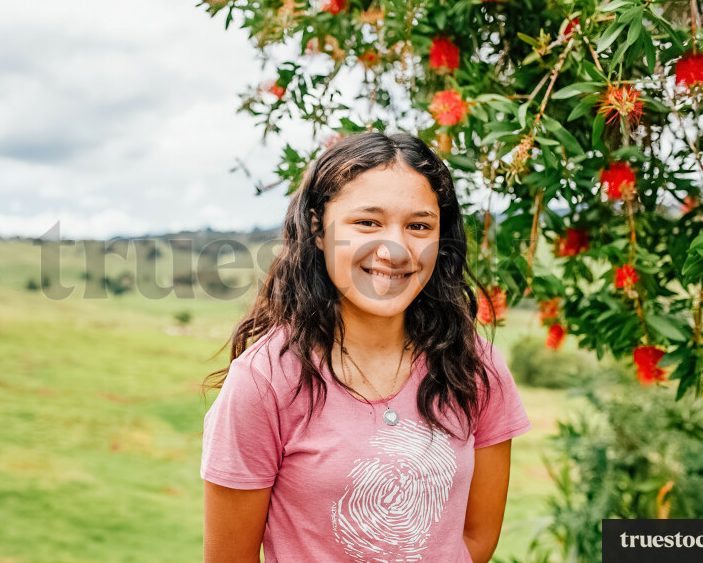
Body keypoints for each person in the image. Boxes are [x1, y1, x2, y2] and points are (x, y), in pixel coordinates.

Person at [200, 131, 532, 563]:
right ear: (318, 229)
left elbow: (475, 541)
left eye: (418, 226)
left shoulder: (473, 365)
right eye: (368, 222)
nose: (395, 250)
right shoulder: (263, 383)